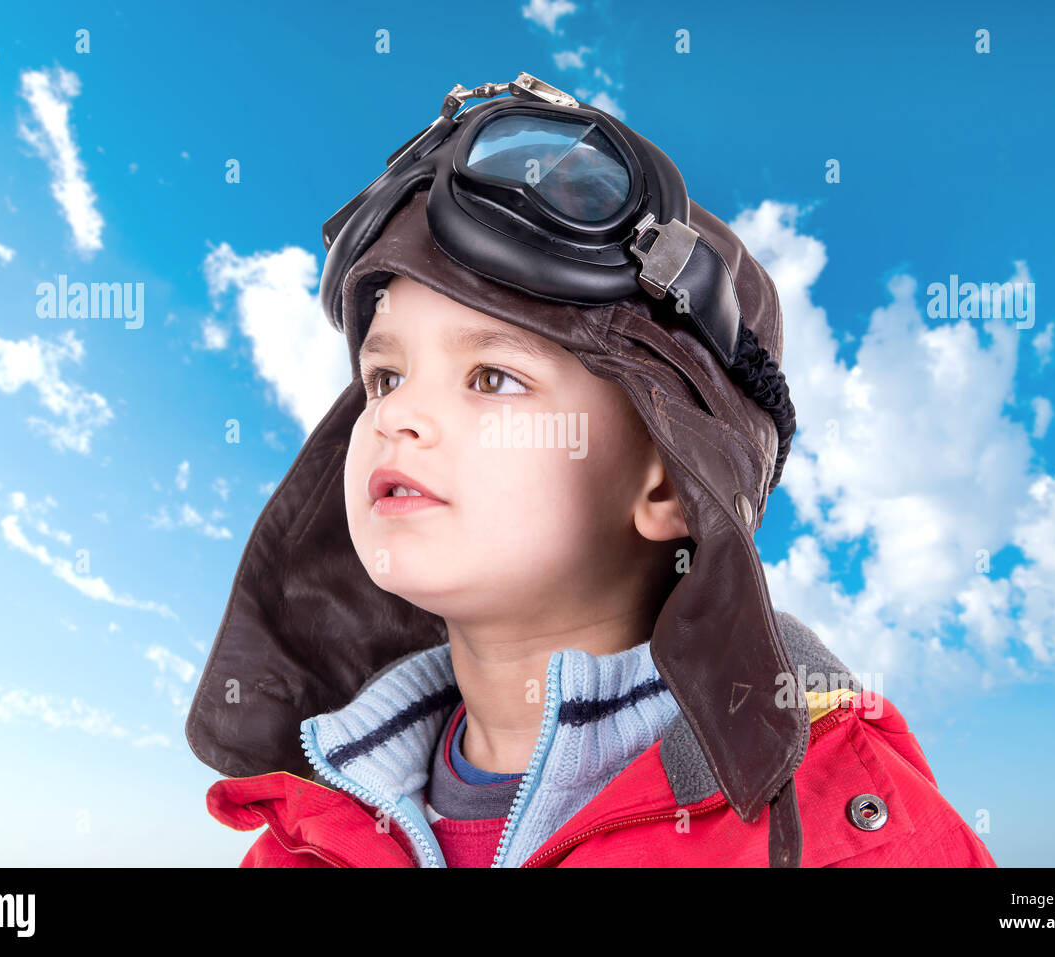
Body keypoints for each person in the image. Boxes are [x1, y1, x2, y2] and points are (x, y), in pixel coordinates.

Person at [186, 74, 997, 868]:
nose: (396, 415)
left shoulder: (855, 832)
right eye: (385, 377)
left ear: (668, 482)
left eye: (493, 378)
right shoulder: (303, 842)